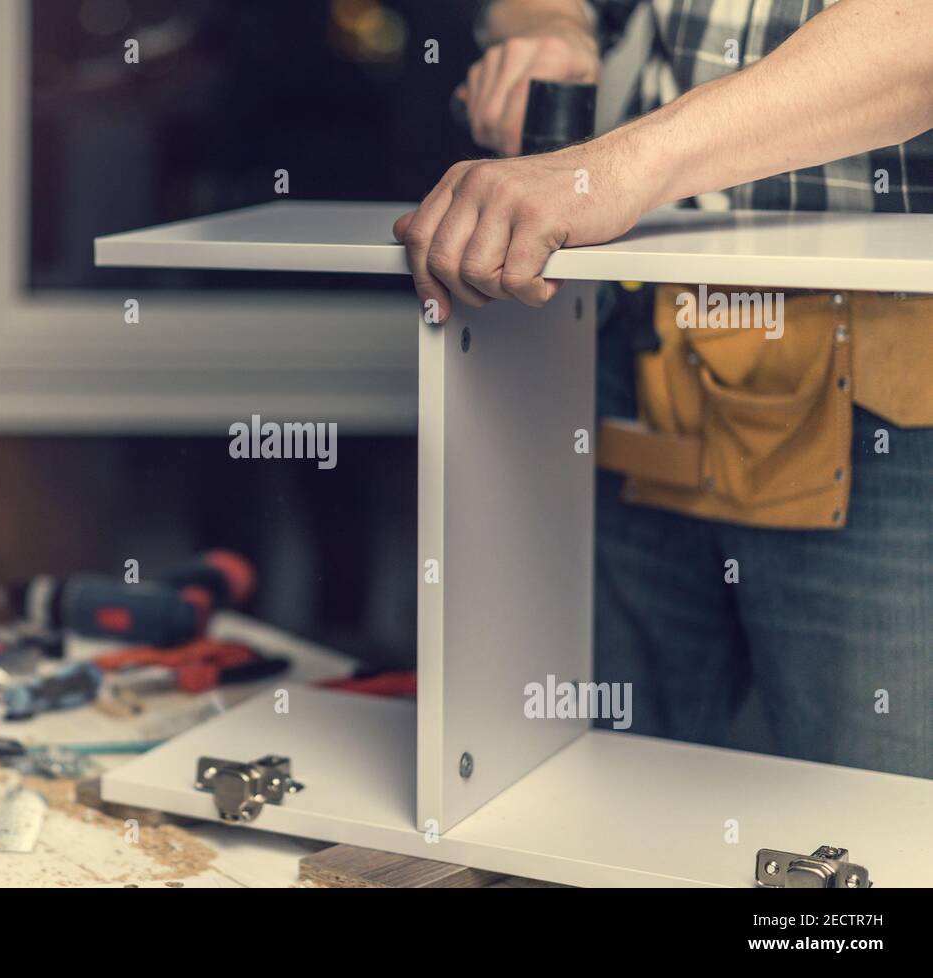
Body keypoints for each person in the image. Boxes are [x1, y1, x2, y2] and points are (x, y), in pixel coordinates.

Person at [395, 0, 933, 778]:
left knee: (881, 834)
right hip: (645, 349)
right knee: (583, 795)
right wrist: (546, 33)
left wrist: (615, 167)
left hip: (894, 405)